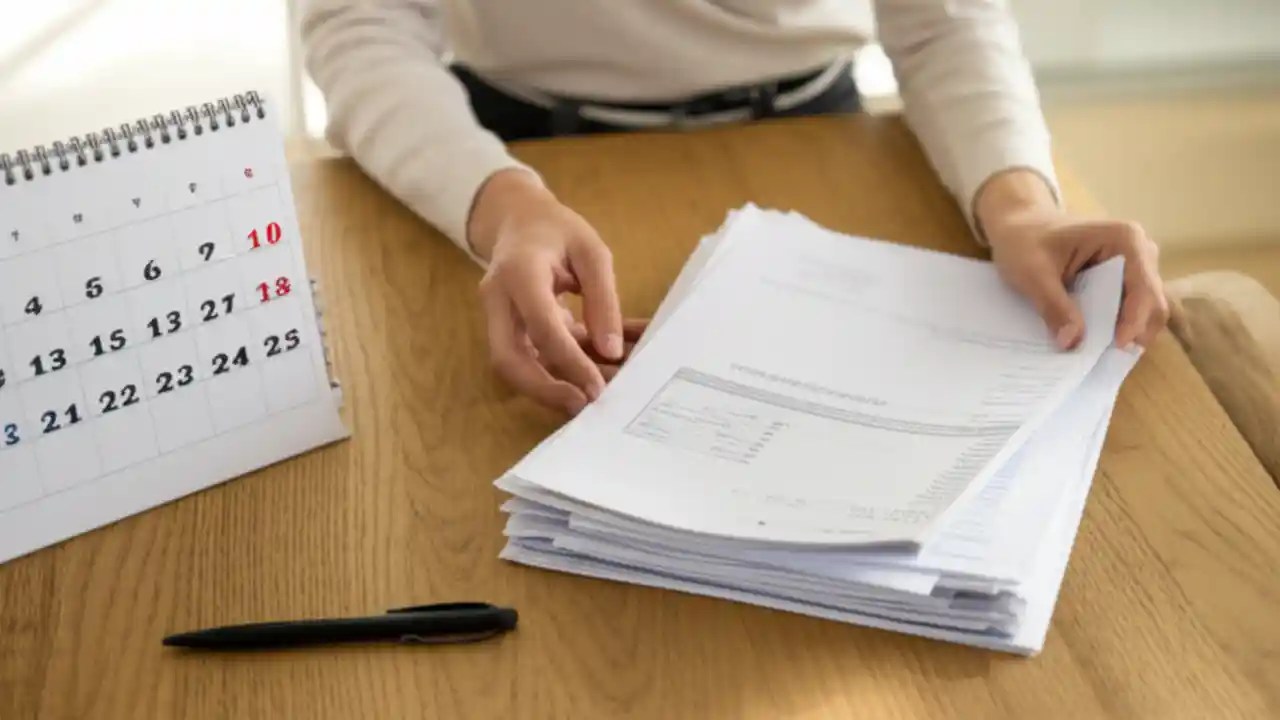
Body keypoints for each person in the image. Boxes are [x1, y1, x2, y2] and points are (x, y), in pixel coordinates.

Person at [301, 0, 1168, 416]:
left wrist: (1019, 205)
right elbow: (359, 23)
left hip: (821, 135)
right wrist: (499, 205)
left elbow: (943, 20)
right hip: (507, 155)